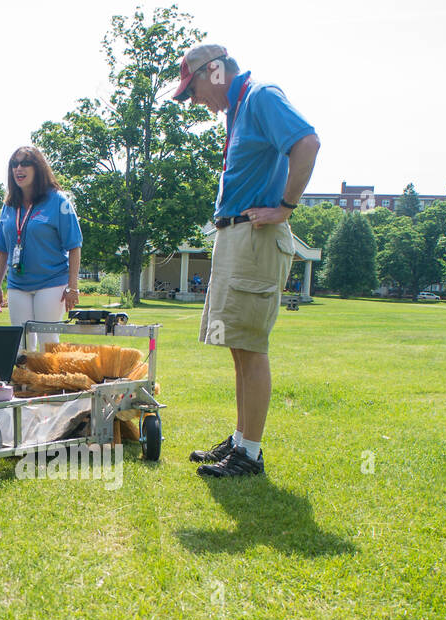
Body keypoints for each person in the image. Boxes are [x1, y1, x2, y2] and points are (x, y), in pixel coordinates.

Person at [174, 43, 320, 478]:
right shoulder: (238, 110)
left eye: (193, 88)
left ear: (214, 71)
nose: (194, 99)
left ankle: (249, 454)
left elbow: (307, 142)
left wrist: (285, 206)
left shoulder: (260, 97)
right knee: (238, 345)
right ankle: (240, 442)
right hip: (237, 235)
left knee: (252, 346)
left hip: (257, 236)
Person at [0, 146, 83, 349]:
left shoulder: (58, 201)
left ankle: (52, 381)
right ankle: (25, 382)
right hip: (17, 285)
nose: (19, 169)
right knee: (22, 347)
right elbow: (2, 249)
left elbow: (74, 245)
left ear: (38, 168)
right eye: (14, 164)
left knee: (47, 344)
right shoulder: (9, 205)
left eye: (25, 163)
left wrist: (73, 286)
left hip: (51, 283)